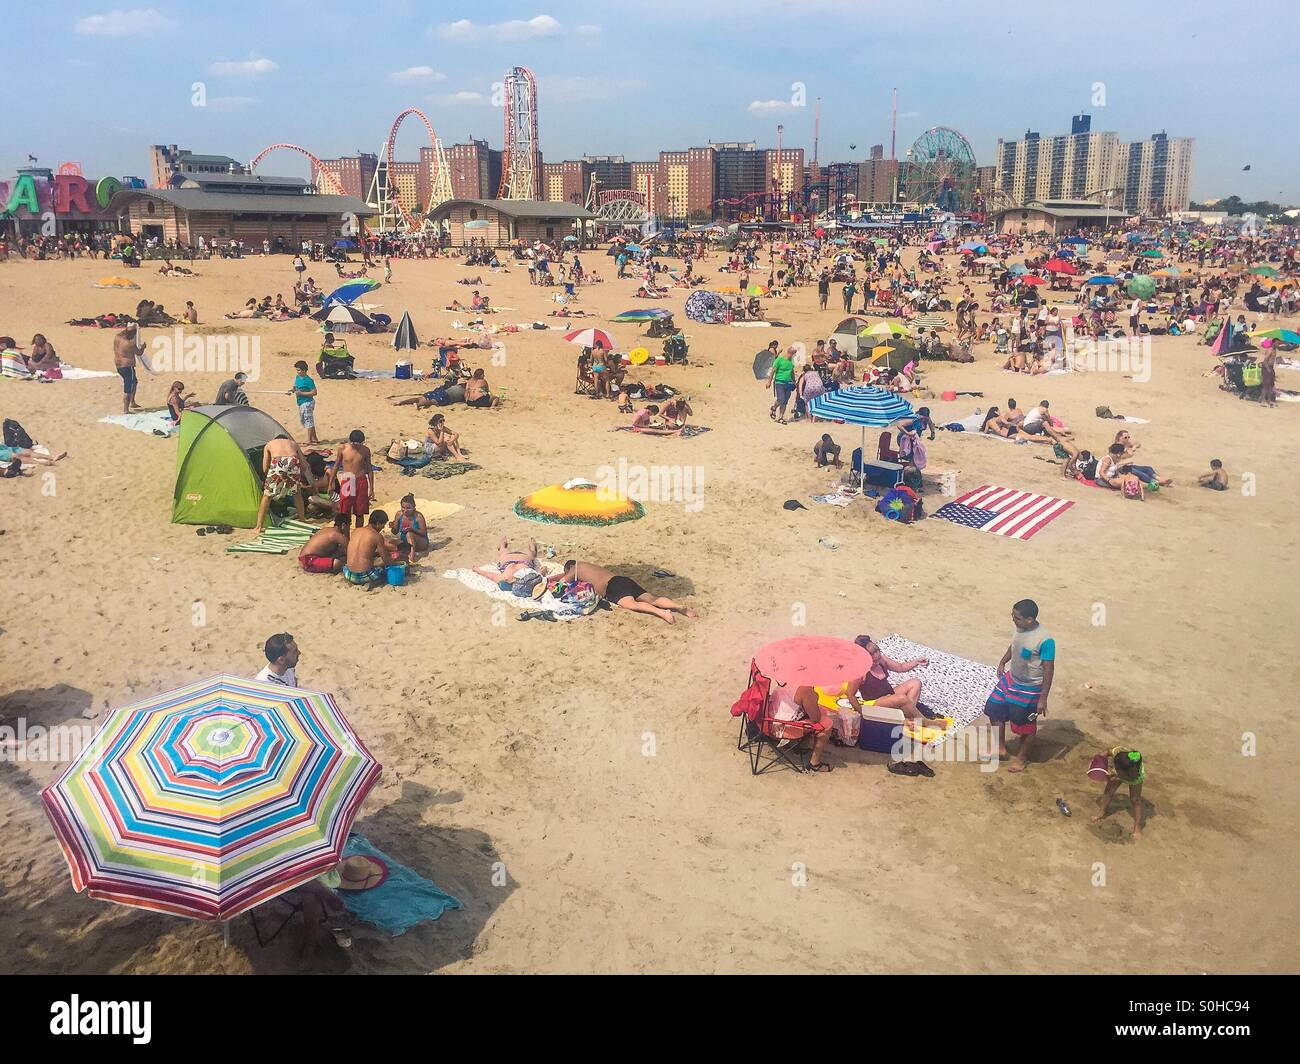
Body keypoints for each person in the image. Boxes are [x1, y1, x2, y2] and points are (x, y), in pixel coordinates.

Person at [984, 599, 1055, 773]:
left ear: (1029, 620)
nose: (1013, 620)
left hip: (1030, 687)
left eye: (1016, 617)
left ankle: (1022, 758)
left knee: (1025, 725)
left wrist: (1042, 698)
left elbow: (1048, 668)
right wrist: (1003, 661)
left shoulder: (1045, 641)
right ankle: (999, 747)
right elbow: (1015, 645)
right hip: (1012, 679)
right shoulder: (1020, 628)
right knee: (994, 708)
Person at [561, 560, 697, 624]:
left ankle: (662, 612)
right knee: (652, 598)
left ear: (570, 567)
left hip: (611, 588)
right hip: (621, 579)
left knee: (633, 605)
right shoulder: (588, 565)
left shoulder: (575, 569)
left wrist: (563, 576)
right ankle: (679, 607)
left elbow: (561, 582)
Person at [850, 636, 931, 726]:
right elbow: (850, 694)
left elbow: (901, 667)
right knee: (901, 698)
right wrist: (862, 712)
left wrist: (916, 662)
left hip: (889, 694)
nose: (876, 656)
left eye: (877, 651)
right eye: (872, 655)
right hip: (874, 703)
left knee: (915, 683)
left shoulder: (882, 660)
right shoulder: (860, 672)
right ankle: (923, 721)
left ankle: (908, 717)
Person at [770, 683, 836, 773]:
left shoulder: (787, 678)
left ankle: (801, 745)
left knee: (821, 710)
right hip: (782, 728)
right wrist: (814, 697)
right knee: (827, 723)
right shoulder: (805, 690)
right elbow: (815, 719)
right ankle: (814, 763)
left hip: (770, 721)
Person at [253, 434, 309, 534]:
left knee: (267, 495)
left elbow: (265, 467)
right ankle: (303, 519)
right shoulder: (293, 443)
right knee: (297, 493)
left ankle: (258, 526)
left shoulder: (269, 444)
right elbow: (304, 464)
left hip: (277, 461)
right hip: (293, 460)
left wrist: (269, 478)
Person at [1091, 747, 1147, 839]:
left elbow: (1130, 778)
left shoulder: (1135, 774)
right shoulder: (1118, 751)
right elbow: (1106, 752)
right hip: (1122, 771)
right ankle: (1101, 811)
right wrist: (1097, 761)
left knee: (1135, 799)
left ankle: (1137, 826)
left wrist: (1119, 777)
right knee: (1109, 791)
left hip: (1133, 777)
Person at [332, 430, 374, 529]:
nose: (357, 446)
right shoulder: (343, 449)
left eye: (359, 443)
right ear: (350, 441)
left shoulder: (365, 450)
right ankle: (345, 535)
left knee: (360, 511)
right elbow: (336, 466)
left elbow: (369, 469)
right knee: (345, 511)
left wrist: (372, 488)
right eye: (354, 443)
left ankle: (357, 534)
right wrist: (331, 482)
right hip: (348, 480)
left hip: (361, 480)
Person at [343, 510, 393, 588]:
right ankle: (373, 583)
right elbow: (386, 560)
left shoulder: (355, 531)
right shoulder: (377, 536)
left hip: (348, 574)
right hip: (364, 576)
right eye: (383, 525)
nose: (383, 528)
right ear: (378, 523)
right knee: (384, 572)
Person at [113, 323, 146, 414]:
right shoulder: (130, 344)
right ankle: (126, 410)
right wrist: (143, 347)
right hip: (127, 367)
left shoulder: (117, 337)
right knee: (128, 388)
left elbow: (125, 332)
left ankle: (132, 402)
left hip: (118, 365)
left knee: (134, 382)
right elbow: (139, 353)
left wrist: (133, 327)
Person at [389, 494, 430, 565]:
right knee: (388, 541)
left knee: (409, 534)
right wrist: (392, 527)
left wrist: (412, 529)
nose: (405, 510)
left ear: (414, 508)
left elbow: (424, 533)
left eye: (408, 508)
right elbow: (395, 532)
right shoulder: (399, 515)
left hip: (421, 544)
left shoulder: (418, 516)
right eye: (403, 507)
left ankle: (411, 557)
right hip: (406, 543)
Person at [475, 537, 540, 583]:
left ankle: (531, 544)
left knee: (530, 552)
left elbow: (490, 576)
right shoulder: (505, 578)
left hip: (524, 560)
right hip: (509, 560)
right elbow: (491, 576)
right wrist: (477, 570)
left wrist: (477, 570)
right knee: (503, 552)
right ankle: (502, 545)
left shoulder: (529, 578)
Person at [766, 344, 796, 424]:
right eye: (793, 354)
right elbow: (773, 371)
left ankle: (781, 417)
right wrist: (769, 381)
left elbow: (792, 372)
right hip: (779, 382)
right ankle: (774, 407)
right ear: (789, 352)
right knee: (781, 399)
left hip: (788, 383)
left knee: (785, 401)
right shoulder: (779, 360)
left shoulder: (791, 362)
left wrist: (794, 381)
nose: (793, 356)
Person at [291, 361, 319, 445]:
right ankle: (314, 438)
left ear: (304, 370)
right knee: (308, 420)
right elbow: (296, 387)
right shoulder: (297, 377)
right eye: (297, 370)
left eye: (299, 370)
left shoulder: (308, 380)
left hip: (307, 402)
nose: (297, 372)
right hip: (300, 402)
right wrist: (292, 390)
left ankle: (309, 440)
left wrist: (302, 393)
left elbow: (314, 392)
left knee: (308, 421)